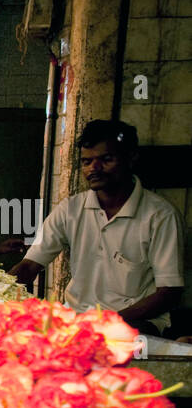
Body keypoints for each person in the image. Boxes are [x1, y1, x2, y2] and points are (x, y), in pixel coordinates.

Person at [11, 120, 185, 336]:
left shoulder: (160, 215)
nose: (94, 168)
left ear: (131, 158)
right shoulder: (70, 210)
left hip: (134, 322)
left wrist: (106, 322)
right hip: (76, 319)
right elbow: (29, 266)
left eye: (106, 160)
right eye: (86, 162)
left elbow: (169, 292)